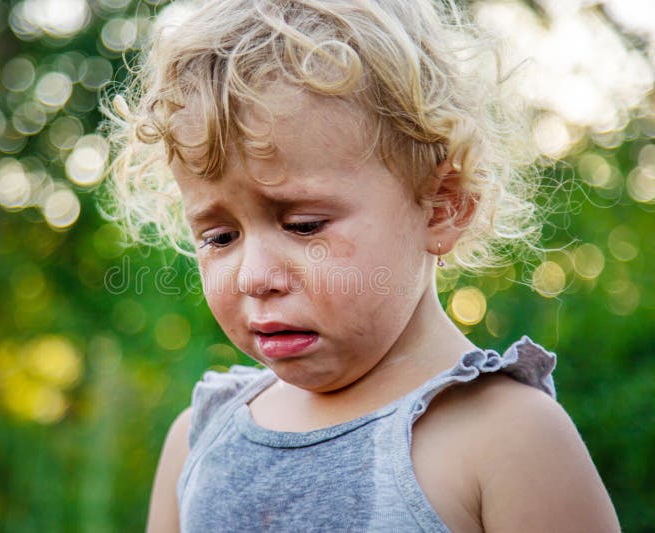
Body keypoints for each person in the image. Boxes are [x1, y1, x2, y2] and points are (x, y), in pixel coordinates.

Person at [104, 0, 621, 531]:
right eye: (219, 236)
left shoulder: (507, 440)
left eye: (304, 225)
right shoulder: (197, 442)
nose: (254, 276)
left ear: (442, 206)